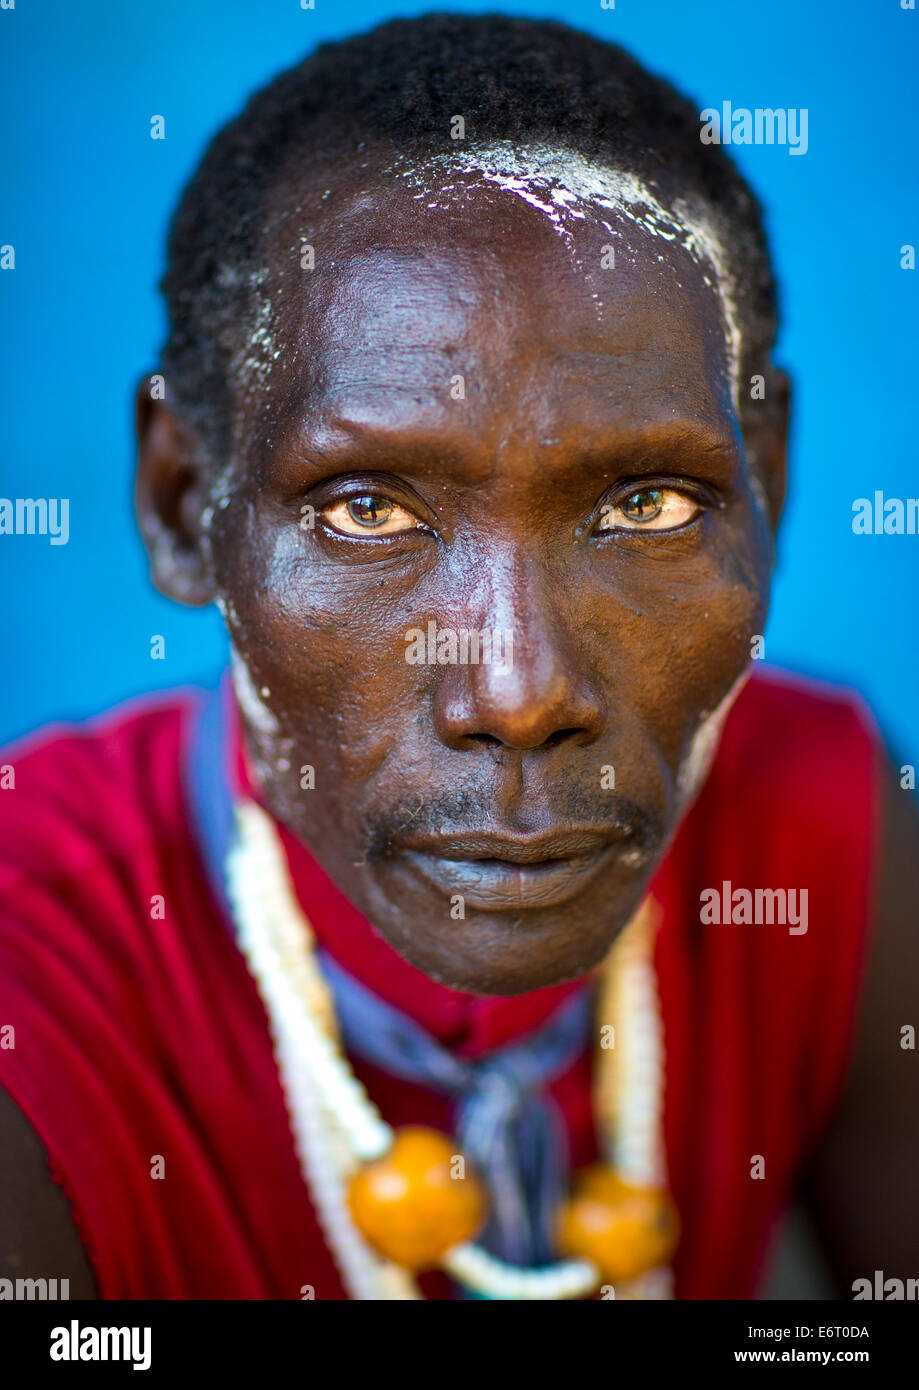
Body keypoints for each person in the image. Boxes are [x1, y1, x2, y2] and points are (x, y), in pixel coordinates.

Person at [1, 13, 917, 1301]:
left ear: (765, 484)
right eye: (367, 510)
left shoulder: (822, 828)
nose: (522, 691)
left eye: (645, 505)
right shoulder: (32, 970)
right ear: (180, 501)